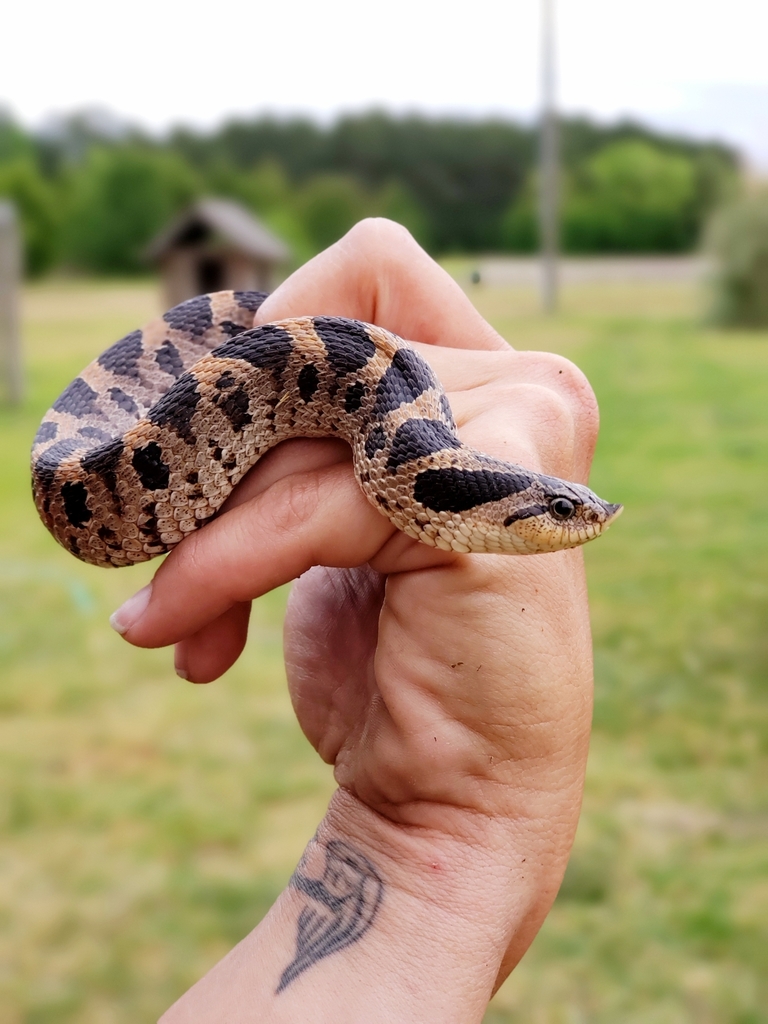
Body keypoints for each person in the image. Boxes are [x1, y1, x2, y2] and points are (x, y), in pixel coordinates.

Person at [109, 219, 601, 1023]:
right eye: (552, 507)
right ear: (490, 498)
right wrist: (458, 827)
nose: (575, 519)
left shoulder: (407, 447)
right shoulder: (404, 445)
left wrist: (439, 827)